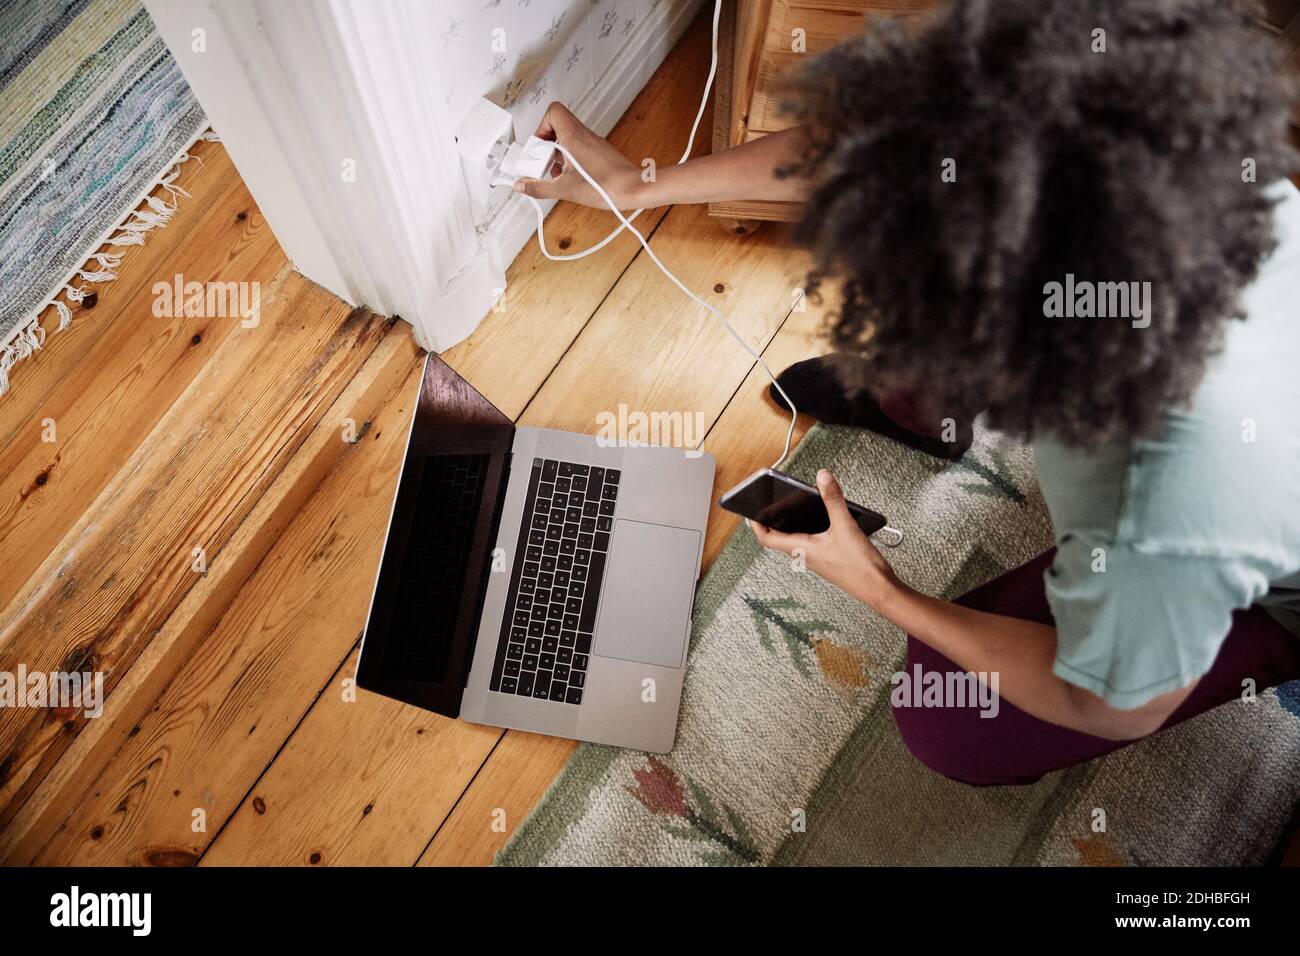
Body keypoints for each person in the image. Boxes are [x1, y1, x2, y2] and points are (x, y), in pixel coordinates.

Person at [514, 0, 1300, 784]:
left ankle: (1255, 642)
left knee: (948, 717)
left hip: (1254, 560)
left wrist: (883, 591)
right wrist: (639, 184)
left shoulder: (1159, 512)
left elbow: (1108, 705)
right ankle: (924, 417)